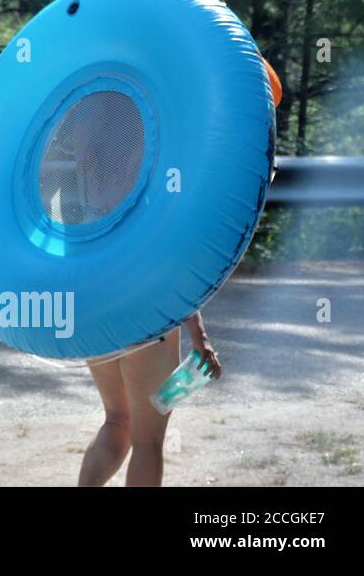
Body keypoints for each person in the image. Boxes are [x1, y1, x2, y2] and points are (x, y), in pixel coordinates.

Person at [78, 52, 282, 487]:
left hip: (95, 303)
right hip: (145, 311)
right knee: (148, 440)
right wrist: (198, 335)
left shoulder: (90, 152)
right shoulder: (154, 163)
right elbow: (170, 259)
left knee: (116, 422)